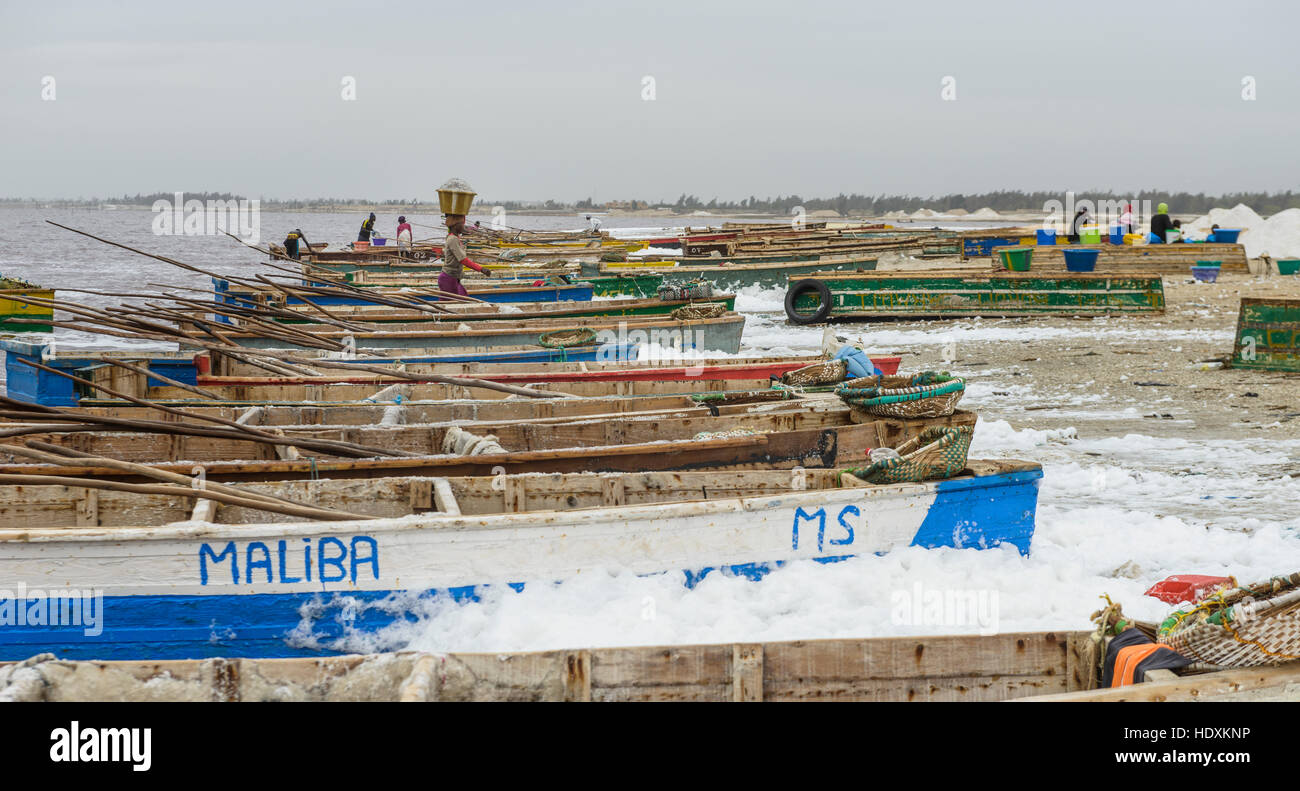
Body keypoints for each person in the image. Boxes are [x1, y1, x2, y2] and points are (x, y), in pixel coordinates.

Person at [440, 213, 487, 298]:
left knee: (463, 299)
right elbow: (463, 260)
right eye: (461, 224)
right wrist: (481, 269)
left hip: (454, 278)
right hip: (448, 278)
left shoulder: (455, 237)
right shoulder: (452, 239)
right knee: (453, 304)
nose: (463, 226)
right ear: (455, 226)